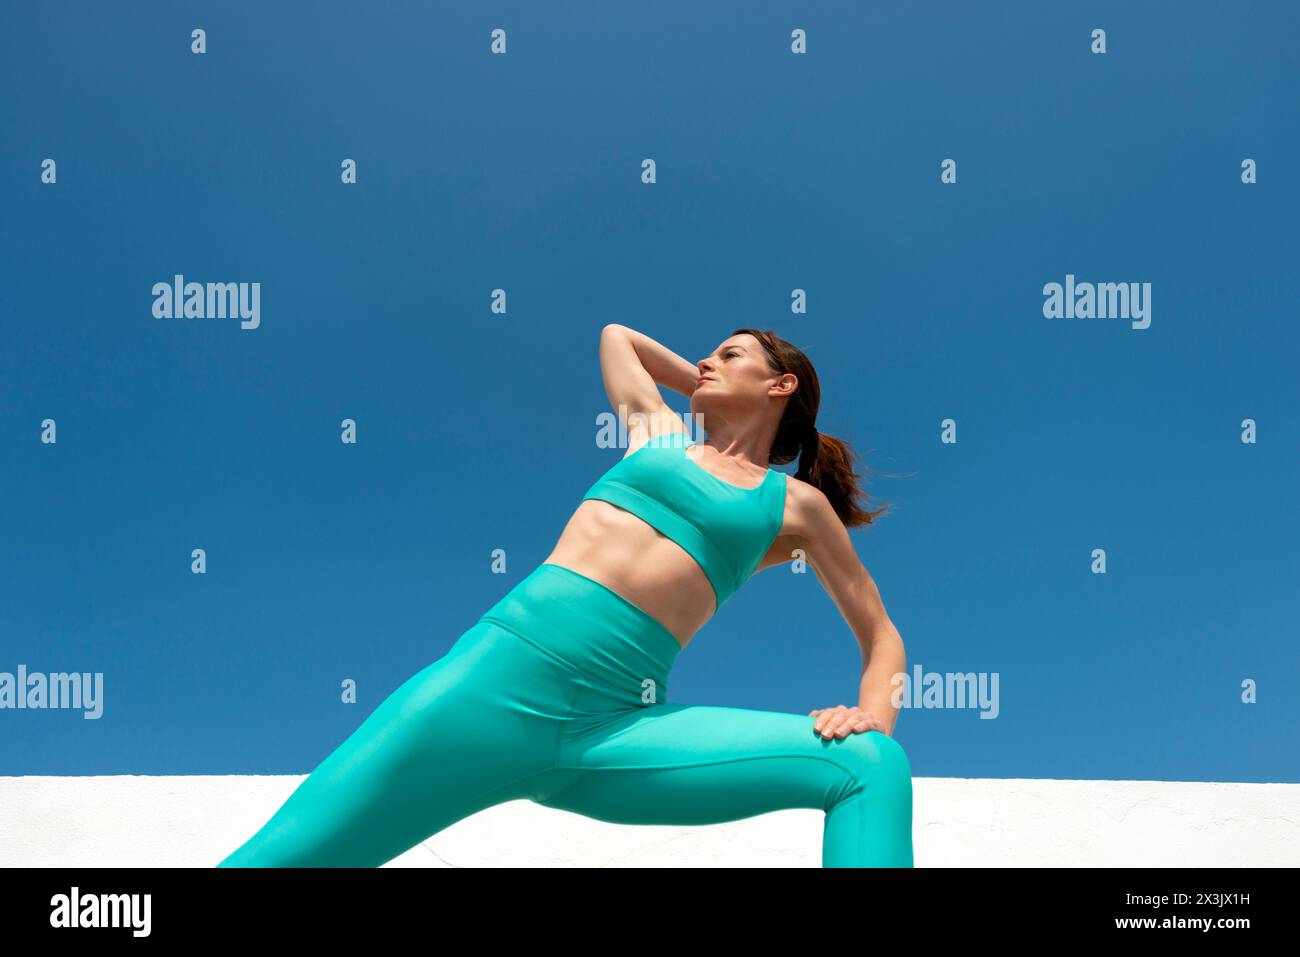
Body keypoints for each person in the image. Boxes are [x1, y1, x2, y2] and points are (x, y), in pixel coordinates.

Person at [217, 325, 913, 868]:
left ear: (781, 383)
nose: (706, 361)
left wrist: (873, 715)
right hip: (485, 691)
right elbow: (619, 337)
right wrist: (703, 383)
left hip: (616, 729)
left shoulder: (793, 507)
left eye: (729, 354)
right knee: (275, 858)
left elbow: (880, 632)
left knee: (868, 765)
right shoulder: (656, 432)